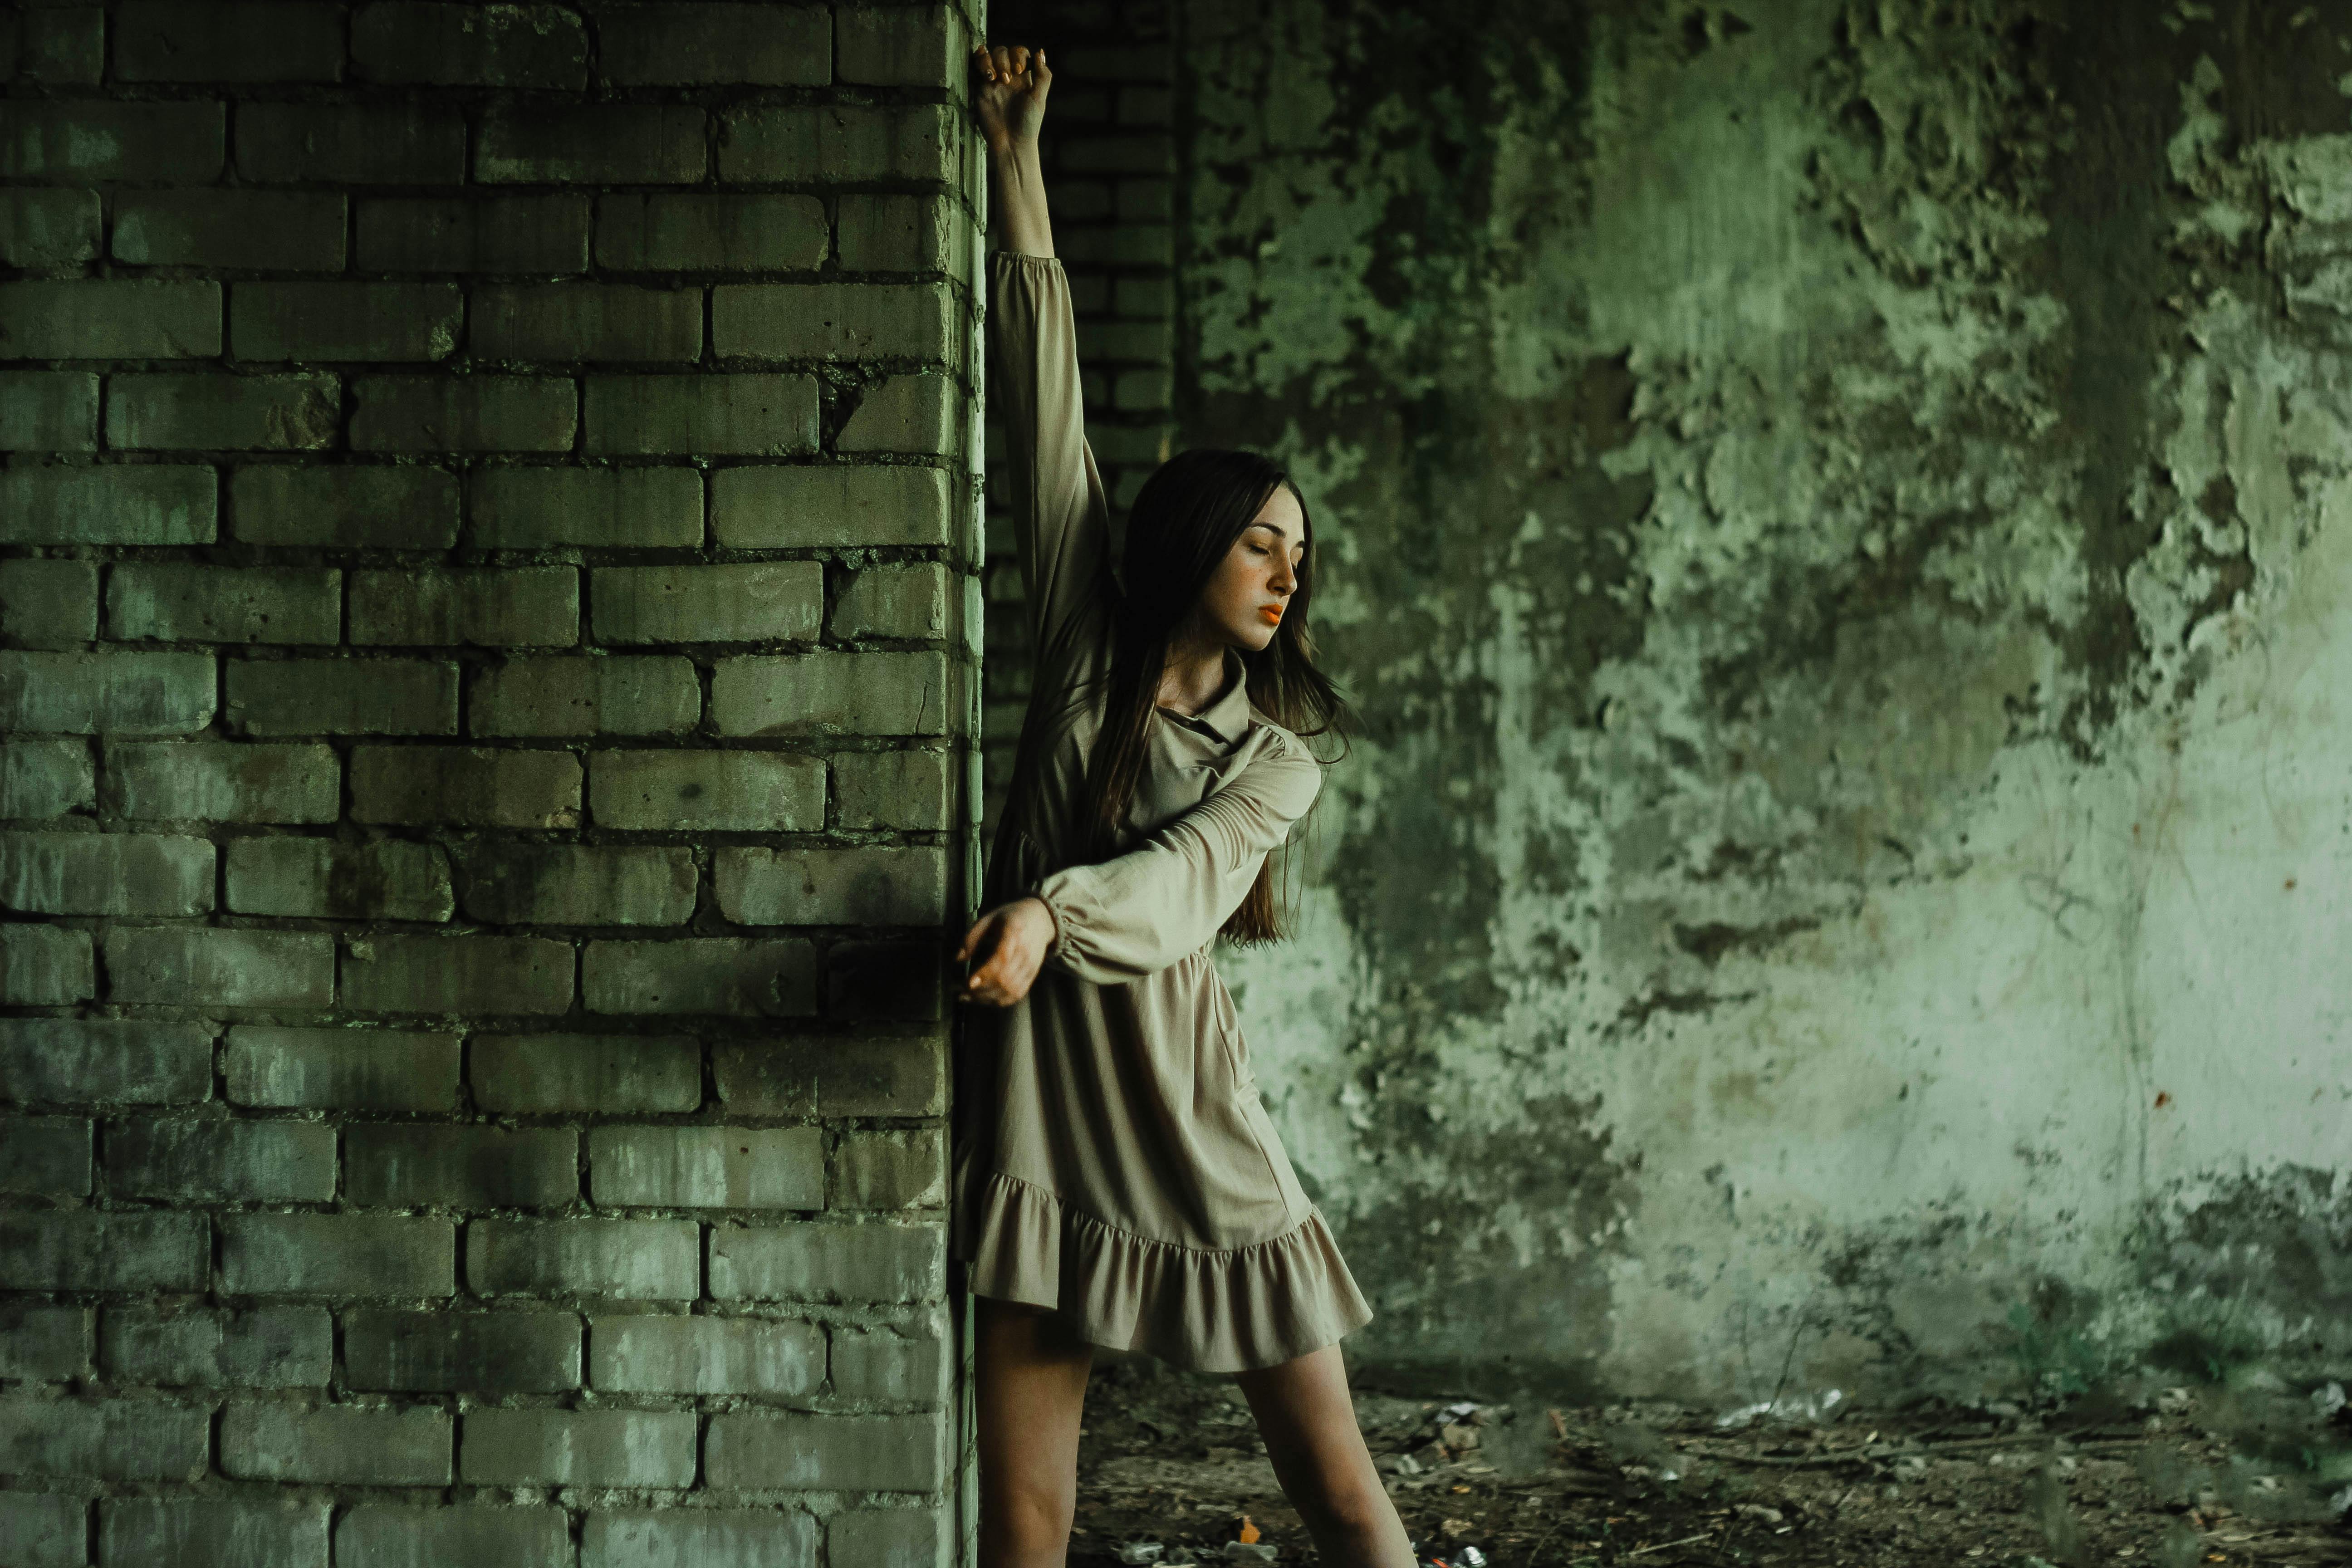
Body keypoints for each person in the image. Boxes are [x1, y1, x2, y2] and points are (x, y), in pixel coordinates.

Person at [954, 42, 1419, 1568]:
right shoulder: (1085, 632)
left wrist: (1045, 915)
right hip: (1046, 1120)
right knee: (1026, 1523)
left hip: (1195, 1122)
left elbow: (1174, 890)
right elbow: (1044, 398)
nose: (1289, 574)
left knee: (1340, 1500)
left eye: (1302, 555)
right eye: (1262, 544)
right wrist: (1015, 160)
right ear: (1196, 541)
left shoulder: (1276, 758)